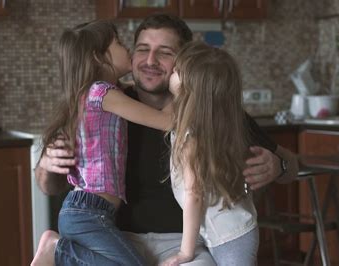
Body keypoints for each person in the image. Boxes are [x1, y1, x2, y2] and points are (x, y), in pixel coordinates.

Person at [34, 14, 299, 266]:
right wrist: (46, 164)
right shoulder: (104, 109)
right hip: (113, 238)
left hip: (183, 246)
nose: (150, 60)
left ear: (184, 61)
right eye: (141, 48)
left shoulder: (214, 112)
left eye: (165, 52)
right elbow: (49, 187)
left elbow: (292, 164)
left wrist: (280, 165)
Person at [32, 20, 176, 266]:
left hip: (93, 212)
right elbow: (167, 121)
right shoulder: (102, 94)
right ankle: (56, 250)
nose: (126, 47)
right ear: (99, 57)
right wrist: (185, 88)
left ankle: (59, 250)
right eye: (118, 43)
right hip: (88, 211)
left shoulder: (103, 93)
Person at [161, 41, 261, 266]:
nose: (170, 72)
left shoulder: (192, 140)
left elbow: (194, 196)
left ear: (189, 87)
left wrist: (185, 253)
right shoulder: (212, 127)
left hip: (229, 238)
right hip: (234, 231)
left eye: (177, 70)